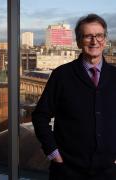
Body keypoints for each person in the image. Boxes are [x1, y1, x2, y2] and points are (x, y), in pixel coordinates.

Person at [32, 14, 116, 180]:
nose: (94, 41)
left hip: (108, 172)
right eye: (88, 36)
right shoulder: (61, 75)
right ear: (78, 41)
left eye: (99, 35)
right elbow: (40, 116)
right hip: (67, 171)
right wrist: (53, 153)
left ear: (105, 40)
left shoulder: (115, 76)